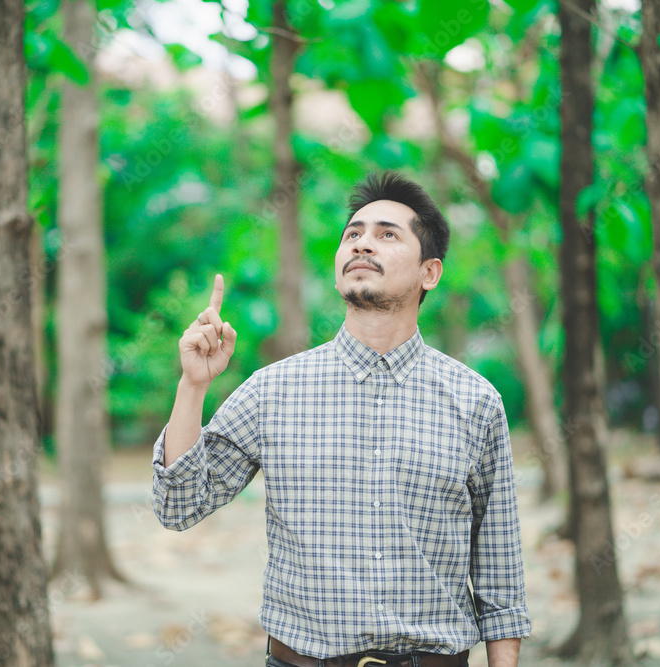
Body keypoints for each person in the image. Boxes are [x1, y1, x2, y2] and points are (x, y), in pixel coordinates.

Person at [151, 171, 532, 667]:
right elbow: (178, 505)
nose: (362, 244)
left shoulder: (475, 401)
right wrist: (192, 386)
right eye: (353, 234)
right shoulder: (273, 391)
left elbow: (500, 578)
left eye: (387, 235)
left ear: (429, 273)